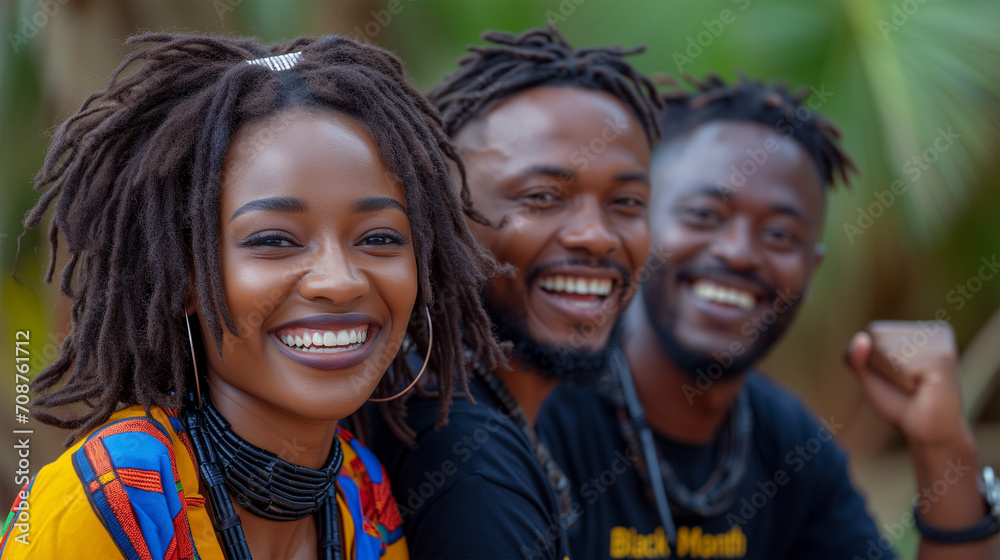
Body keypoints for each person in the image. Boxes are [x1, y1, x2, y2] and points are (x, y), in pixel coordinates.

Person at [0, 32, 503, 560]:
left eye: (378, 237)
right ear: (185, 278)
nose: (339, 280)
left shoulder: (362, 498)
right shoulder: (99, 511)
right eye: (274, 241)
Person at [537, 74, 999, 559]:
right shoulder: (541, 409)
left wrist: (943, 445)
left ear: (811, 268)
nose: (738, 253)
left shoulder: (790, 449)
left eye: (780, 235)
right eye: (704, 214)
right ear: (636, 224)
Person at [369, 25, 663, 559]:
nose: (596, 236)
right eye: (544, 196)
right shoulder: (467, 460)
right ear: (445, 213)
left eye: (627, 202)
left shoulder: (460, 404)